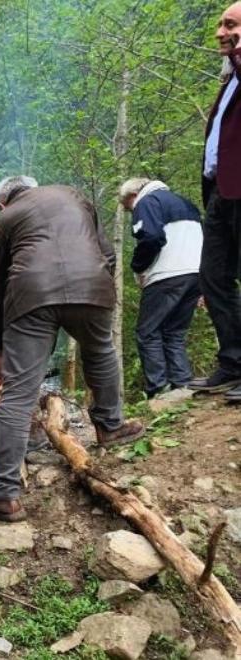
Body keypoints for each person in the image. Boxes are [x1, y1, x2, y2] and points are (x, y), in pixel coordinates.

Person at [0, 176, 144, 523]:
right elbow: (108, 254)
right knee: (100, 351)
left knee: (20, 392)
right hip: (93, 284)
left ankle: (2, 493)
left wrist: (0, 351)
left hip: (32, 295)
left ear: (3, 204)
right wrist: (96, 287)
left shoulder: (4, 222)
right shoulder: (74, 195)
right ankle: (110, 427)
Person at [118, 178, 203, 399]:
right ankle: (182, 385)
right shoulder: (186, 203)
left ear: (133, 196)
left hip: (166, 275)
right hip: (195, 275)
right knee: (174, 332)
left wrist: (138, 267)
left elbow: (152, 237)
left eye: (128, 208)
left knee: (147, 332)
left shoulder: (147, 202)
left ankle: (158, 389)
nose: (130, 212)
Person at [196, 1, 241, 400]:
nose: (219, 33)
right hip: (221, 193)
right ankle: (233, 362)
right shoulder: (230, 81)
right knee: (212, 276)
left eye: (229, 25)